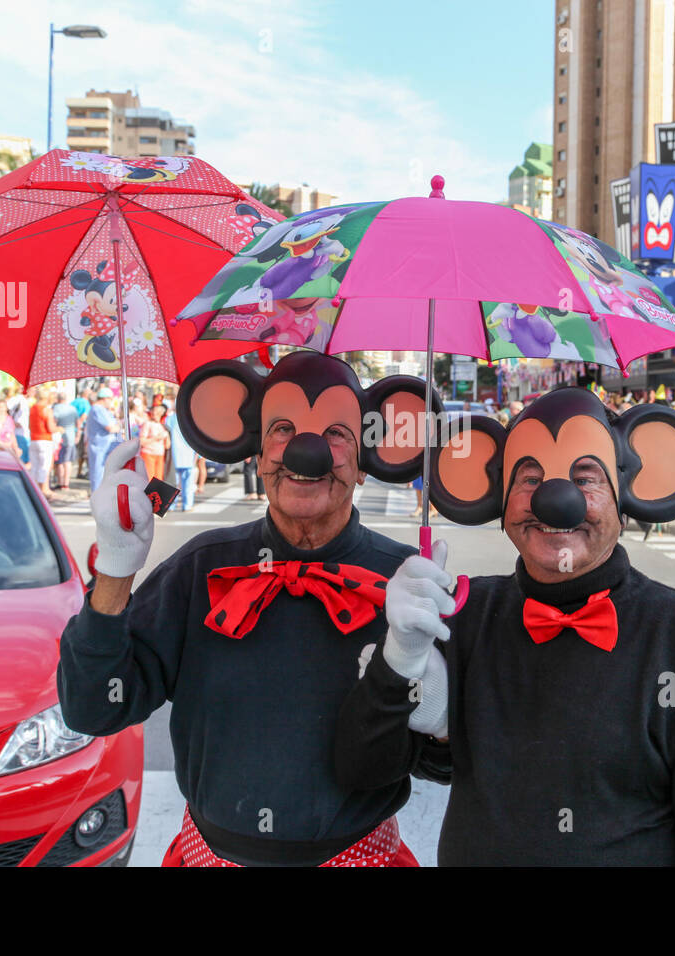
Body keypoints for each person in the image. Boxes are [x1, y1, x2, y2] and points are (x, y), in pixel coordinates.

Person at [334, 388, 675, 864]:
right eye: (530, 477)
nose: (555, 500)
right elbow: (361, 771)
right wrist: (399, 664)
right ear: (494, 493)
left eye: (586, 477)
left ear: (629, 492)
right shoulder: (464, 614)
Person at [59, 353, 435, 866]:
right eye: (283, 429)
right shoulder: (198, 569)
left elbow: (449, 760)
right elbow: (93, 708)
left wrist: (428, 689)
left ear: (369, 459)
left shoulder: (408, 584)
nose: (306, 451)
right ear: (258, 455)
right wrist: (116, 571)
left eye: (337, 433)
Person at [85, 388, 122, 493]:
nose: (111, 402)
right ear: (105, 399)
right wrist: (119, 425)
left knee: (104, 474)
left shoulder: (103, 410)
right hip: (100, 447)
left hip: (104, 447)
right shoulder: (98, 409)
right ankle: (97, 498)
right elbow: (111, 428)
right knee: (98, 474)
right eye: (110, 399)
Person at [165, 403, 199, 512]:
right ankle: (187, 505)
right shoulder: (191, 419)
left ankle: (171, 505)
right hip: (188, 454)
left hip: (174, 455)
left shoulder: (170, 419)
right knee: (187, 481)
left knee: (173, 481)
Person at [51, 391, 80, 491]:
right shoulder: (72, 409)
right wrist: (78, 435)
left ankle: (60, 482)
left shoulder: (55, 408)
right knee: (68, 461)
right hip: (71, 437)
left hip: (60, 438)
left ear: (58, 399)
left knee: (59, 462)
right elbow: (78, 423)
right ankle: (66, 484)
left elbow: (53, 422)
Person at [139, 403, 170, 482]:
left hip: (160, 455)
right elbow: (142, 441)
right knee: (149, 478)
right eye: (153, 411)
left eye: (156, 412)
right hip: (148, 454)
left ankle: (157, 494)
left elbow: (167, 446)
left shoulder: (162, 426)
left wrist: (167, 437)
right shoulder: (147, 424)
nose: (154, 413)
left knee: (159, 479)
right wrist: (157, 438)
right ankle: (147, 494)